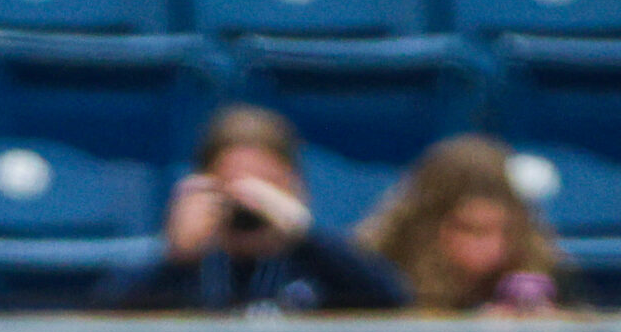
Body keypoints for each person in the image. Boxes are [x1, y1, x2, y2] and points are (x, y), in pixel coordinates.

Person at [112, 105, 407, 313]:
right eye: (234, 186)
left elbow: (394, 303)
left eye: (266, 186)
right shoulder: (185, 268)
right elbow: (105, 321)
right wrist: (175, 258)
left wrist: (305, 235)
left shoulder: (318, 264)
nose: (248, 204)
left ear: (295, 188)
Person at [356, 135, 567, 315]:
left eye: (506, 230)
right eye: (472, 229)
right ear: (428, 227)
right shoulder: (372, 279)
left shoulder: (550, 276)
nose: (493, 247)